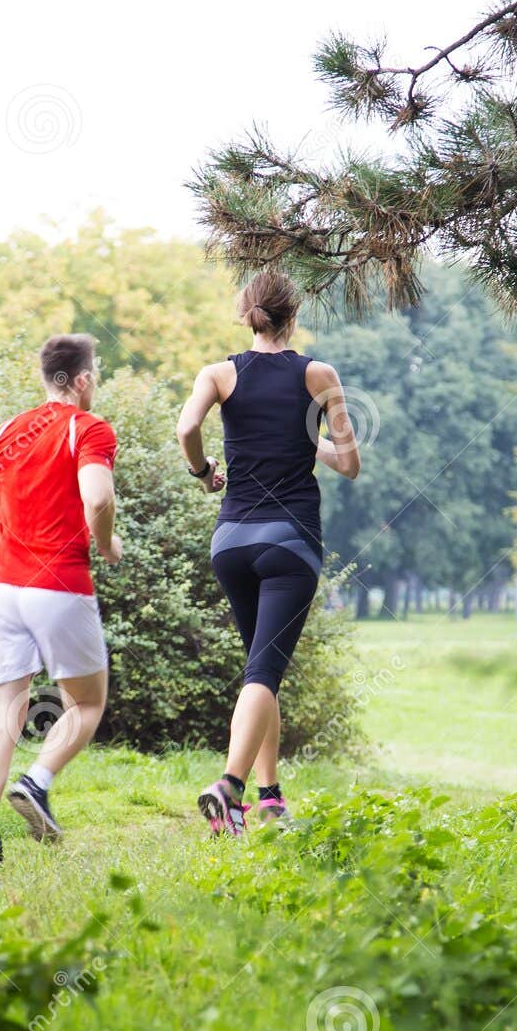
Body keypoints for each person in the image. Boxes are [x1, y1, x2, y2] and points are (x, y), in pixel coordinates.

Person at [176, 270, 361, 836]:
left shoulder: (218, 374)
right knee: (263, 670)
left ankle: (271, 797)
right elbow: (350, 464)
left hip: (230, 541)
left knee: (262, 669)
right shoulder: (318, 375)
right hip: (290, 542)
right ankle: (229, 787)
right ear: (293, 315)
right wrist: (311, 441)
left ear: (246, 314)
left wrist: (204, 472)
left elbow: (186, 428)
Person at [0, 333, 121, 863]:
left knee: (2, 720)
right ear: (82, 379)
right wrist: (105, 542)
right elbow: (98, 497)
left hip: (0, 587)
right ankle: (37, 781)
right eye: (94, 376)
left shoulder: (4, 432)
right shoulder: (89, 428)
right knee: (88, 702)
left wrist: (23, 513)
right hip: (57, 584)